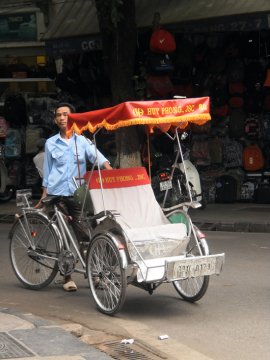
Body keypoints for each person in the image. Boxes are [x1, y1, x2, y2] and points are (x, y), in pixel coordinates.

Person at [37, 102, 112, 292]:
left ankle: (94, 275)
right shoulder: (51, 143)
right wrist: (44, 193)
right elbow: (48, 170)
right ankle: (67, 277)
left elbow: (98, 157)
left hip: (78, 193)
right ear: (55, 119)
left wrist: (108, 169)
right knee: (62, 237)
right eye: (59, 115)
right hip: (56, 195)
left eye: (66, 114)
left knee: (85, 236)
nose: (62, 118)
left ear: (73, 118)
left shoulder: (82, 141)